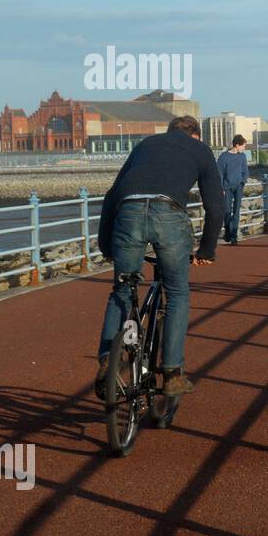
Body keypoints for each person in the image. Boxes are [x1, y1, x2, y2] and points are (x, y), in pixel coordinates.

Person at [95, 114, 222, 398]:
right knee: (176, 292)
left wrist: (106, 246)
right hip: (169, 216)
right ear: (196, 135)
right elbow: (216, 205)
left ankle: (107, 360)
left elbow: (110, 196)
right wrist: (207, 249)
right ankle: (172, 373)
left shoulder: (146, 144)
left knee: (123, 289)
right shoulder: (201, 149)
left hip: (128, 213)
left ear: (169, 132)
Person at [216, 134, 248, 246]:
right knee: (227, 211)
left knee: (236, 211)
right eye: (243, 146)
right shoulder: (223, 157)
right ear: (237, 145)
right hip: (227, 187)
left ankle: (233, 236)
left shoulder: (242, 156)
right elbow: (219, 174)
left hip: (239, 186)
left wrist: (242, 182)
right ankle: (228, 231)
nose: (244, 148)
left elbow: (245, 171)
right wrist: (221, 188)